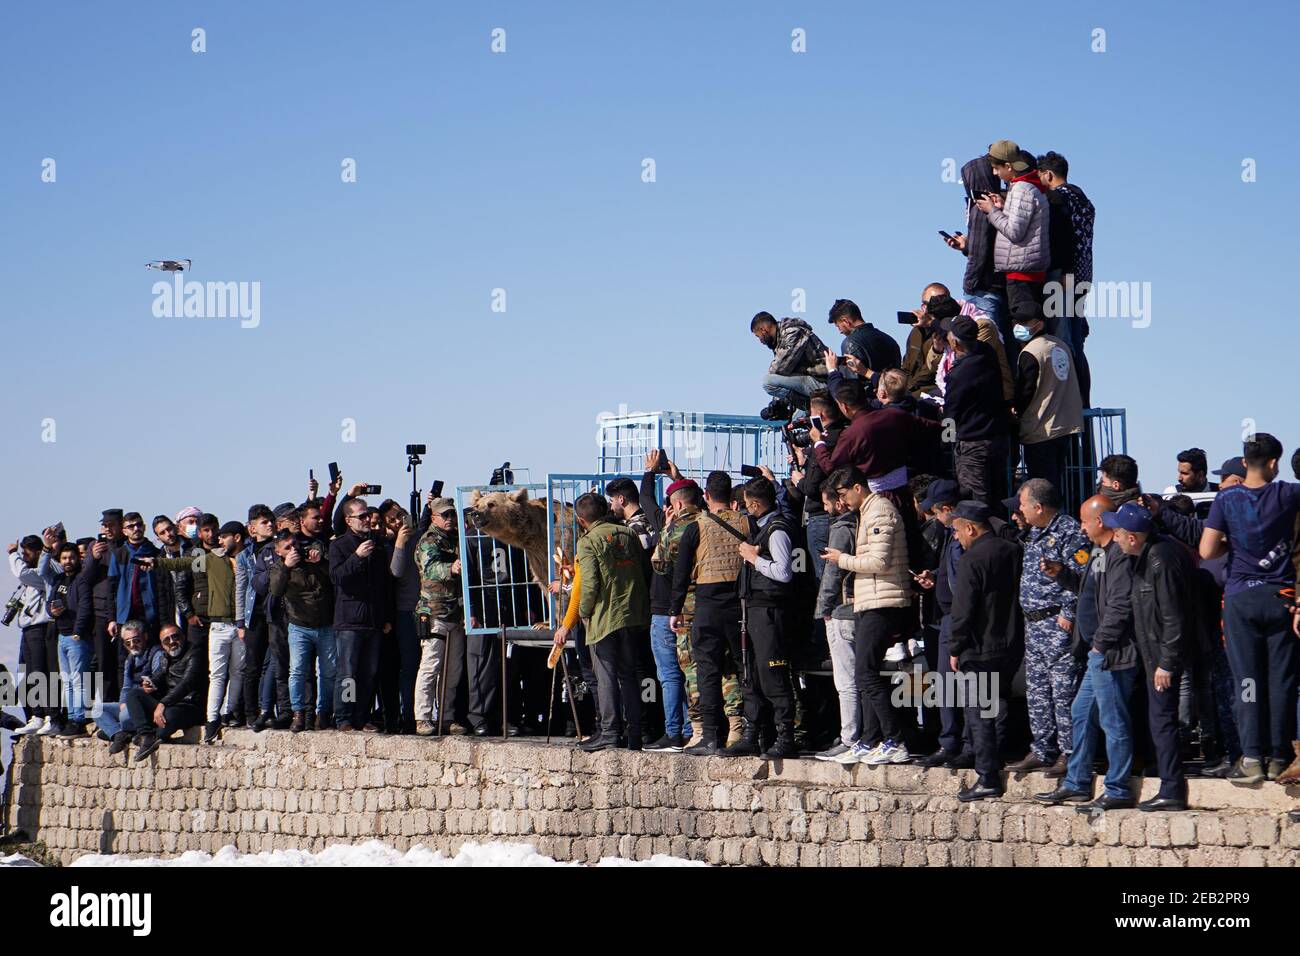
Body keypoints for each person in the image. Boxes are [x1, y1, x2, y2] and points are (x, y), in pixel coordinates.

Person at [1199, 432, 1300, 784]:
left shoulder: (1227, 499)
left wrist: (1234, 542)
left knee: (1246, 680)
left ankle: (1252, 757)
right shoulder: (1289, 494)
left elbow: (1207, 550)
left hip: (1241, 598)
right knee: (1281, 679)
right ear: (1274, 462)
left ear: (1244, 463)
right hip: (1280, 596)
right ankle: (1279, 755)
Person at [1035, 495, 1140, 810]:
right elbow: (1088, 587)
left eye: (1083, 520)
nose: (1081, 527)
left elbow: (1121, 604)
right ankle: (1077, 783)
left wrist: (1100, 642)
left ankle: (1118, 789)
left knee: (1113, 721)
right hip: (1097, 653)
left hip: (1111, 652)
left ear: (1100, 521)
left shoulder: (1119, 554)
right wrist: (1062, 574)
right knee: (1081, 713)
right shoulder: (1099, 552)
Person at [1110, 503, 1202, 811]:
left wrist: (1166, 662)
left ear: (1133, 537)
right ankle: (1167, 780)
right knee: (1158, 720)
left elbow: (1174, 616)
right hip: (1154, 654)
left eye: (1119, 533)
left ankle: (1172, 789)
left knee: (1163, 721)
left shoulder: (1161, 559)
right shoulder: (1146, 555)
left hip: (1163, 657)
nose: (1115, 538)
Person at [822, 467, 913, 766]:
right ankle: (871, 739)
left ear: (857, 488)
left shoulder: (879, 511)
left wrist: (841, 559)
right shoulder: (868, 512)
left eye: (843, 494)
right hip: (869, 601)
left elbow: (879, 560)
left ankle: (895, 739)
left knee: (865, 672)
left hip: (882, 603)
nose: (842, 501)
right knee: (865, 673)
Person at [1010, 478, 1088, 776]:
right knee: (1038, 690)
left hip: (1057, 622)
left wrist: (1068, 612)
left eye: (1023, 505)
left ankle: (1070, 753)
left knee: (1063, 690)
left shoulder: (1068, 531)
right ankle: (1042, 748)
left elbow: (1081, 577)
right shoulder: (1034, 532)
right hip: (1034, 623)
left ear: (1039, 506)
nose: (1020, 510)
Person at [947, 500, 1024, 802]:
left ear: (970, 527)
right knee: (1001, 705)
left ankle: (988, 775)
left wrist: (955, 646)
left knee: (980, 712)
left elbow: (963, 609)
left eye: (956, 531)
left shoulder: (971, 559)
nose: (955, 537)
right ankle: (999, 756)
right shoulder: (1013, 550)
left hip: (979, 648)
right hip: (1010, 643)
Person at [670, 471, 750, 755]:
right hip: (740, 606)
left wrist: (675, 609)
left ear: (706, 495)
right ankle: (749, 733)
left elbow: (680, 572)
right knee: (742, 670)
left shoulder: (697, 526)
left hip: (707, 606)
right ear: (732, 496)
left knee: (707, 671)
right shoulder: (745, 522)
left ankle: (711, 737)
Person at [565, 493, 649, 752]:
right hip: (632, 613)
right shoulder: (627, 534)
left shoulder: (588, 542)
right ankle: (635, 734)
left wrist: (585, 613)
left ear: (581, 520)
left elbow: (589, 584)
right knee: (629, 675)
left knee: (606, 677)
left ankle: (610, 732)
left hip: (604, 617)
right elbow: (643, 569)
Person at [149, 520, 244, 744]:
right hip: (218, 626)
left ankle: (227, 713)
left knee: (238, 672)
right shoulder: (211, 559)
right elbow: (183, 563)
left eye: (222, 536)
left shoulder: (246, 560)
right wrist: (155, 563)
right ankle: (212, 719)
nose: (217, 539)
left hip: (240, 626)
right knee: (217, 674)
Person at [729, 478, 798, 759]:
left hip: (771, 611)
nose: (745, 510)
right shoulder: (762, 529)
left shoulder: (777, 530)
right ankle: (754, 732)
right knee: (751, 674)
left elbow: (784, 573)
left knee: (773, 673)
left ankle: (785, 736)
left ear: (755, 504)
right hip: (754, 610)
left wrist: (753, 558)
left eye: (747, 505)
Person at [913, 479, 975, 768]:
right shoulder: (952, 533)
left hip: (959, 617)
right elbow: (951, 571)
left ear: (947, 509)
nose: (934, 518)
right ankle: (950, 741)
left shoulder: (963, 534)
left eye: (936, 512)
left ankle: (965, 744)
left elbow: (967, 575)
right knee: (945, 682)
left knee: (965, 684)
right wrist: (934, 576)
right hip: (946, 616)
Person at [1037, 150, 1095, 405]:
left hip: (1065, 277)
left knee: (1062, 341)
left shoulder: (1059, 199)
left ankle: (1069, 401)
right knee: (1076, 342)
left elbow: (1063, 239)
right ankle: (1083, 401)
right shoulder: (1085, 200)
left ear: (1048, 174)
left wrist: (1062, 272)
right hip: (1083, 276)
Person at [330, 498, 392, 732]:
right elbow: (336, 577)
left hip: (374, 620)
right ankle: (344, 717)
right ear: (349, 520)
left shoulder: (377, 544)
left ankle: (362, 716)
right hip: (349, 620)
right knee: (348, 672)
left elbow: (384, 584)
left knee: (369, 673)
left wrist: (385, 617)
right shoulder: (340, 546)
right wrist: (356, 557)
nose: (367, 520)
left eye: (367, 515)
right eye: (362, 516)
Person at [975, 141, 1050, 332]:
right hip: (1029, 271)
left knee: (1024, 330)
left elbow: (1014, 232)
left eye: (996, 168)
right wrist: (1003, 207)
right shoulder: (1030, 186)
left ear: (1008, 166)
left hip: (1021, 274)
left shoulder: (1021, 188)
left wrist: (992, 211)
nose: (995, 174)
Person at [267, 528, 336, 732]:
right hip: (299, 627)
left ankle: (323, 713)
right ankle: (298, 713)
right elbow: (276, 591)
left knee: (329, 672)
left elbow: (334, 577)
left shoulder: (312, 560)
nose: (293, 549)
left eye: (295, 545)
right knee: (296, 671)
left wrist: (320, 562)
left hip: (325, 624)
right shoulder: (278, 568)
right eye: (287, 547)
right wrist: (287, 567)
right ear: (279, 551)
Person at [941, 314, 1010, 516]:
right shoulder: (987, 353)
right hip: (997, 438)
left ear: (956, 344)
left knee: (976, 505)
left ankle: (985, 544)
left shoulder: (959, 374)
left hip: (973, 445)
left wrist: (946, 440)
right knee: (997, 498)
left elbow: (951, 411)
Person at [813, 485, 862, 761]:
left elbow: (833, 573)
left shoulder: (841, 530)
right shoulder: (860, 524)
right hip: (857, 608)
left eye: (826, 502)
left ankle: (849, 738)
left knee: (846, 681)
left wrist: (824, 609)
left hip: (842, 611)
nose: (826, 508)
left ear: (839, 503)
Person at [413, 498, 467, 736]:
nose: (449, 520)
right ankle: (423, 717)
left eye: (452, 515)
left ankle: (446, 716)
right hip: (434, 611)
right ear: (433, 517)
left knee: (452, 670)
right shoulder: (429, 541)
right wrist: (452, 568)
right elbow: (430, 568)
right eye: (444, 515)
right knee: (430, 666)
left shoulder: (455, 538)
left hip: (455, 611)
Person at [1013, 315, 1084, 495]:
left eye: (1023, 322)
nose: (1017, 326)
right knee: (1057, 482)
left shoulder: (1031, 352)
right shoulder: (1060, 345)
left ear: (1038, 324)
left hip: (1041, 430)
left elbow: (1026, 391)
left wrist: (1015, 411)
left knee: (1042, 489)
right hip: (1064, 426)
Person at [126, 624, 204, 762]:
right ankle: (146, 736)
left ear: (183, 637)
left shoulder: (195, 653)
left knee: (165, 722)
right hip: (170, 703)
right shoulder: (165, 657)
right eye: (166, 640)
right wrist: (150, 683)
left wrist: (162, 704)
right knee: (134, 694)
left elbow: (186, 684)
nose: (172, 642)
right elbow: (159, 675)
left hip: (190, 705)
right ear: (163, 645)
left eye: (175, 637)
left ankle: (146, 735)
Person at [7, 533, 61, 736]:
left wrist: (12, 554)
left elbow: (21, 573)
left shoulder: (43, 573)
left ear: (39, 551)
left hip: (41, 628)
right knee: (28, 674)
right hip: (28, 629)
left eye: (26, 552)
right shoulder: (34, 573)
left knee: (41, 673)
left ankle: (49, 716)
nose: (24, 555)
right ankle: (36, 716)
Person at [96, 620, 165, 753]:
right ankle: (119, 734)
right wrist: (123, 703)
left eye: (136, 640)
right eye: (128, 642)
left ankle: (114, 730)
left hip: (147, 703)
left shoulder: (156, 654)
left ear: (144, 637)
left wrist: (149, 686)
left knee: (124, 717)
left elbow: (159, 680)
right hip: (129, 703)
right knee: (97, 709)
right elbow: (126, 687)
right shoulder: (130, 659)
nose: (133, 645)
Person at [49, 541, 94, 737]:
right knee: (67, 680)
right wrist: (51, 611)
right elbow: (50, 603)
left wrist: (78, 630)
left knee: (78, 680)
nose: (68, 561)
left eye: (71, 557)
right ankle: (72, 716)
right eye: (64, 558)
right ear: (60, 560)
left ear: (78, 559)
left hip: (77, 637)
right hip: (62, 635)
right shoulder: (58, 580)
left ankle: (79, 719)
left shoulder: (81, 580)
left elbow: (85, 606)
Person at [751, 311, 829, 418]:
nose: (760, 341)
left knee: (768, 382)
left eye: (758, 336)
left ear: (763, 330)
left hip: (822, 381)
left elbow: (780, 369)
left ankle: (808, 406)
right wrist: (776, 402)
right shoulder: (779, 341)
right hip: (809, 381)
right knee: (795, 422)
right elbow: (784, 373)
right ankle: (803, 408)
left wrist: (780, 400)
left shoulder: (793, 332)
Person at [827, 298, 902, 387]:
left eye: (838, 326)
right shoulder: (889, 339)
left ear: (846, 321)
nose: (840, 331)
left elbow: (852, 386)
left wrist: (833, 370)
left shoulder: (850, 343)